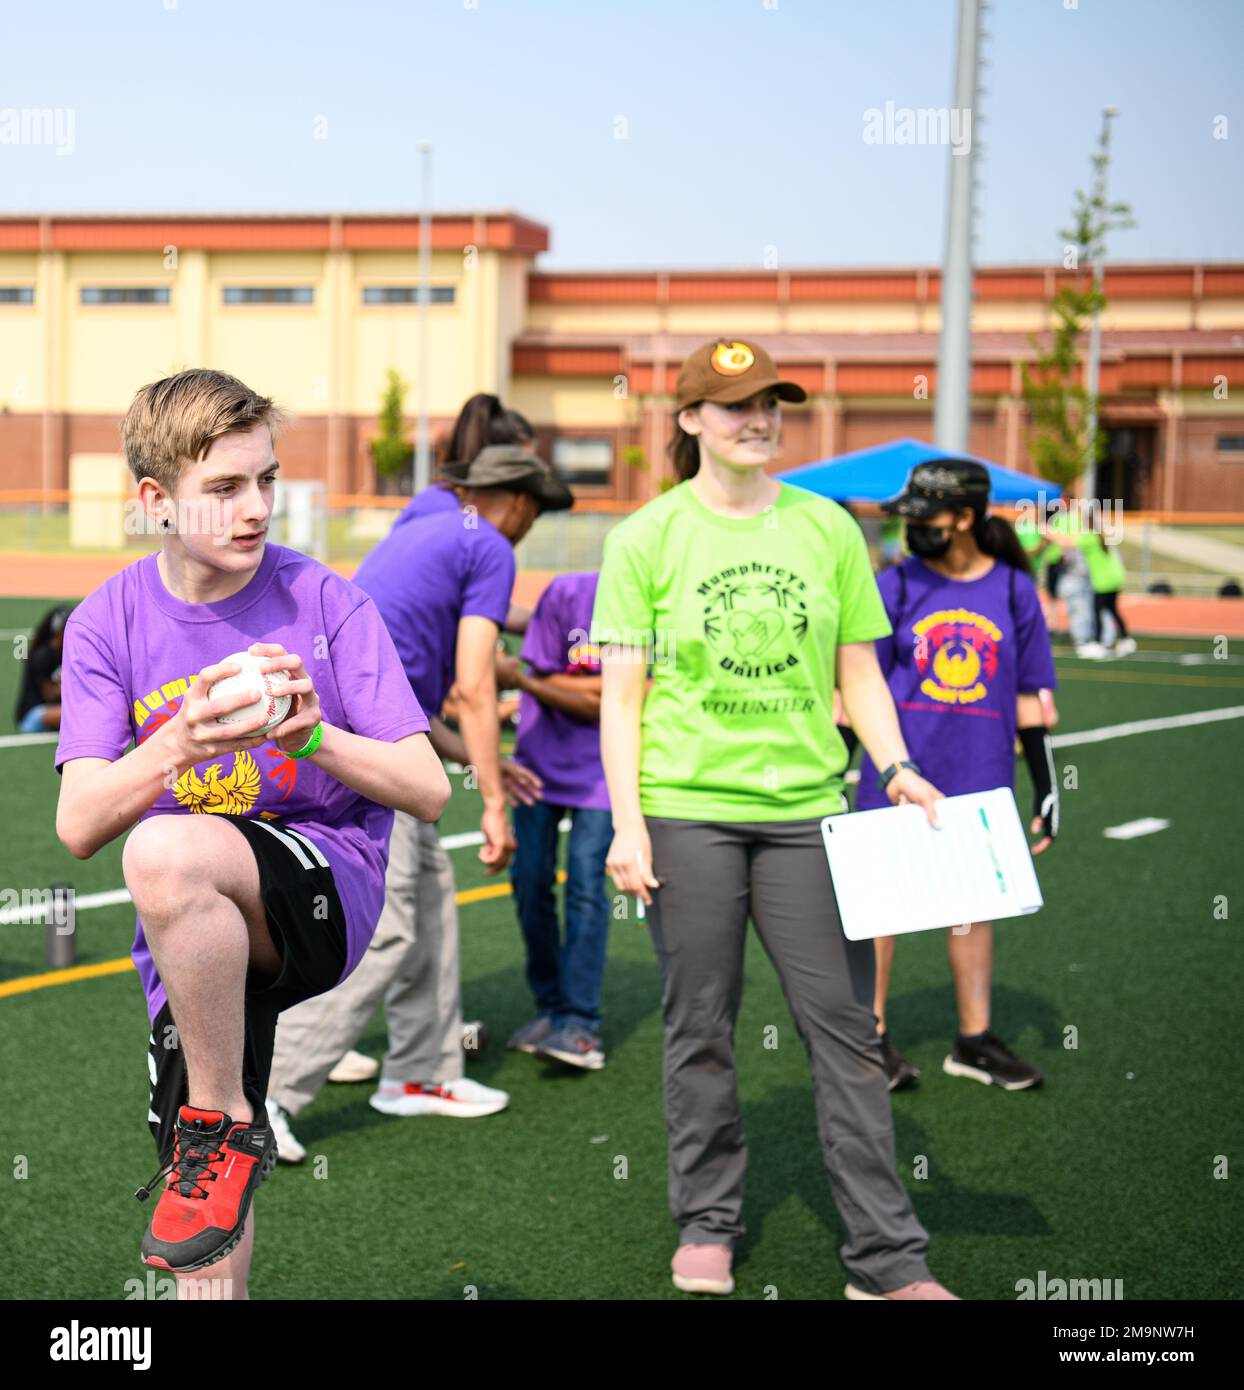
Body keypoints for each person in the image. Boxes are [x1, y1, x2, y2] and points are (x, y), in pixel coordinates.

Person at [54, 369, 450, 1296]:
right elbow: (77, 824)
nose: (258, 508)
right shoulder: (106, 621)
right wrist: (179, 742)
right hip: (189, 927)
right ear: (156, 501)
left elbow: (429, 790)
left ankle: (222, 1119)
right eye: (226, 487)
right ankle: (219, 1130)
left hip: (321, 891)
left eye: (266, 479)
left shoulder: (327, 600)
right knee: (197, 1210)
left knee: (163, 846)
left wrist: (312, 737)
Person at [593, 336, 956, 1301]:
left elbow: (859, 673)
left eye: (770, 404)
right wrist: (628, 823)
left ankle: (887, 1260)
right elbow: (621, 700)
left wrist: (898, 766)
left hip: (808, 814)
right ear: (690, 419)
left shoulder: (828, 529)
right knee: (700, 1028)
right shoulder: (643, 538)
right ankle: (708, 1223)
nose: (757, 420)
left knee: (846, 1031)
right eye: (735, 405)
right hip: (687, 814)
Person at [266, 444, 573, 1153]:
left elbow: (406, 696)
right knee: (386, 922)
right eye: (534, 512)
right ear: (518, 503)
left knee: (429, 901)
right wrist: (492, 802)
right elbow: (474, 685)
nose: (529, 526)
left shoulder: (424, 524)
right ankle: (265, 1094)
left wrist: (479, 761)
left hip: (354, 730)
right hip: (360, 747)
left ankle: (422, 1073)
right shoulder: (489, 546)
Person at [853, 460, 1059, 1094]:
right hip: (896, 772)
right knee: (881, 910)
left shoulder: (1014, 591)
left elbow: (1030, 697)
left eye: (925, 516)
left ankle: (973, 1041)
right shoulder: (894, 585)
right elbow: (858, 686)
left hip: (980, 774)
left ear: (965, 518)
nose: (912, 528)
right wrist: (843, 765)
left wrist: (1047, 786)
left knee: (973, 910)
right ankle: (870, 1038)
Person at [499, 571, 611, 1069]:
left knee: (585, 884)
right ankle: (549, 1008)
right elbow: (589, 690)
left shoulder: (648, 600)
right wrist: (585, 688)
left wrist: (530, 683)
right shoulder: (568, 592)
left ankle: (580, 1022)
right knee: (530, 880)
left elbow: (612, 697)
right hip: (538, 766)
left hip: (604, 769)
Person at [15, 604, 72, 732]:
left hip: (56, 709)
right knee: (76, 712)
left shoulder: (68, 652)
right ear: (59, 631)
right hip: (33, 716)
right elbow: (49, 694)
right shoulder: (43, 655)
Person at [1083, 528, 1136, 657]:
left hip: (1103, 583)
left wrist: (1048, 533)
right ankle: (1125, 639)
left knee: (1097, 613)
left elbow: (1068, 543)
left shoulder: (1089, 538)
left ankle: (1097, 643)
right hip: (1114, 581)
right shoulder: (1103, 539)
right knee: (1113, 610)